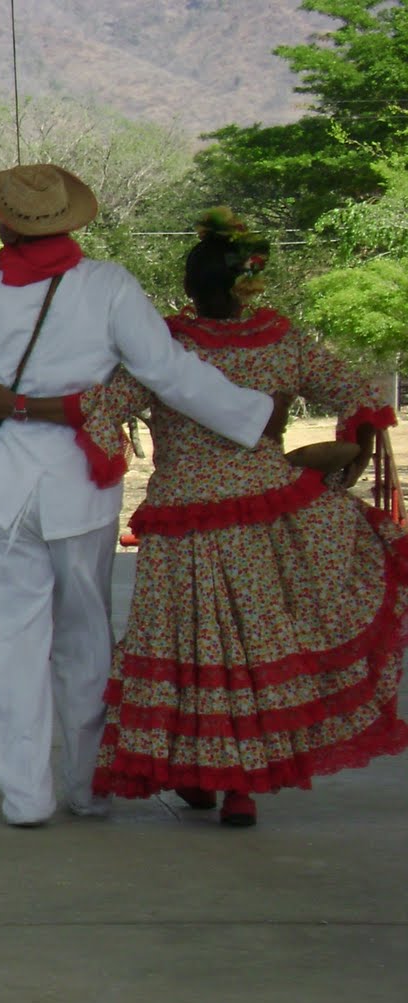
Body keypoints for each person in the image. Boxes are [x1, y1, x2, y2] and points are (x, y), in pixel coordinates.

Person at [0, 164, 275, 829]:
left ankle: (25, 796)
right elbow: (166, 371)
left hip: (3, 485)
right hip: (80, 483)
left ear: (5, 227)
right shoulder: (109, 286)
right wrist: (250, 414)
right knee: (86, 638)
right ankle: (88, 788)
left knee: (5, 643)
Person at [48, 208, 406, 827]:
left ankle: (201, 774)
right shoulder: (282, 339)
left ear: (190, 286)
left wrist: (23, 407)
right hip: (263, 511)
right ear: (250, 282)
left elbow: (102, 407)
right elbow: (359, 391)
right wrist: (356, 445)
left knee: (191, 649)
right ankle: (240, 788)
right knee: (253, 646)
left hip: (182, 518)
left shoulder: (166, 345)